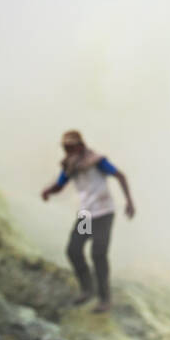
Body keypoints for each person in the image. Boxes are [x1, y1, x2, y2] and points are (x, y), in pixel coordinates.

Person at [40, 130, 135, 313]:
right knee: (74, 250)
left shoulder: (97, 161)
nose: (68, 150)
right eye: (65, 147)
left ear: (81, 146)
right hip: (86, 215)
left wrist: (129, 202)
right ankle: (87, 288)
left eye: (71, 146)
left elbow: (120, 175)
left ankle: (105, 299)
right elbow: (60, 185)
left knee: (98, 254)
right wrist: (48, 191)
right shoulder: (70, 165)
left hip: (103, 214)